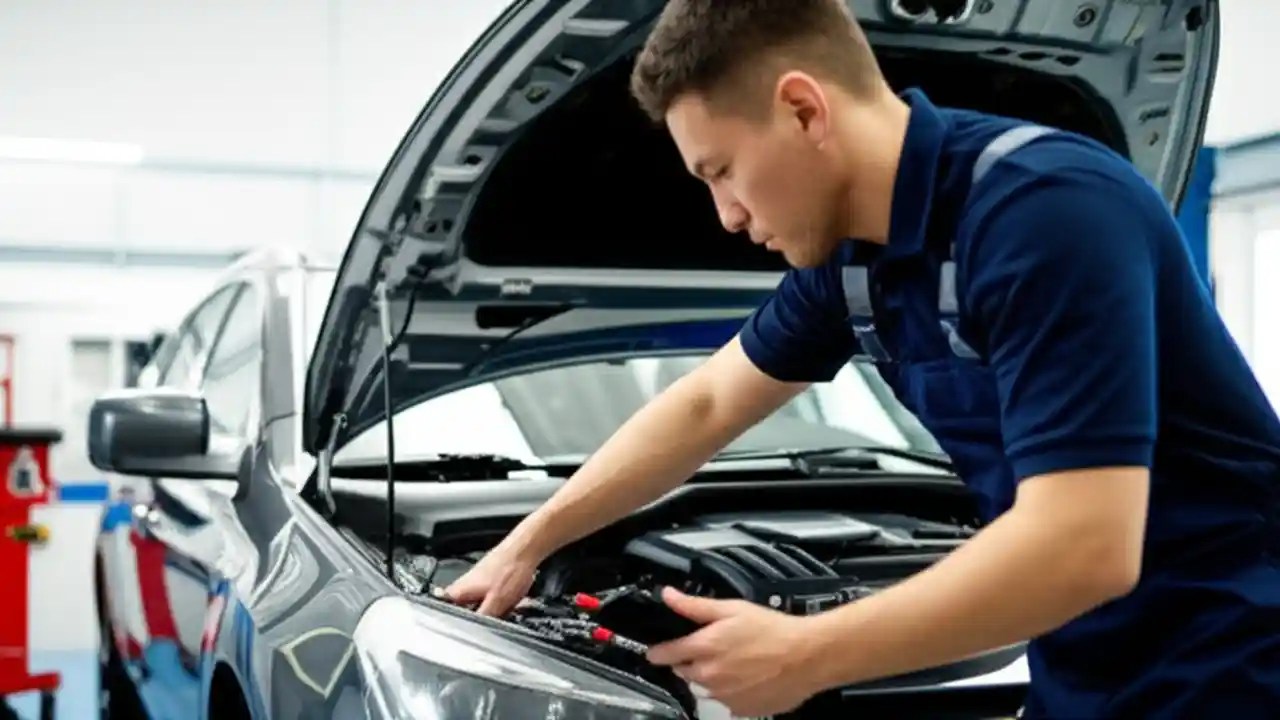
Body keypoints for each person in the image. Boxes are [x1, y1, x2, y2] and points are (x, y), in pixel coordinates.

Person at [444, 0, 1280, 717]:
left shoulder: (1045, 215)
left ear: (805, 109)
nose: (726, 215)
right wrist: (532, 543)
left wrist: (808, 654)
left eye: (722, 170)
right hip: (1087, 665)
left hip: (1234, 662)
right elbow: (704, 407)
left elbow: (1085, 544)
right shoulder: (852, 263)